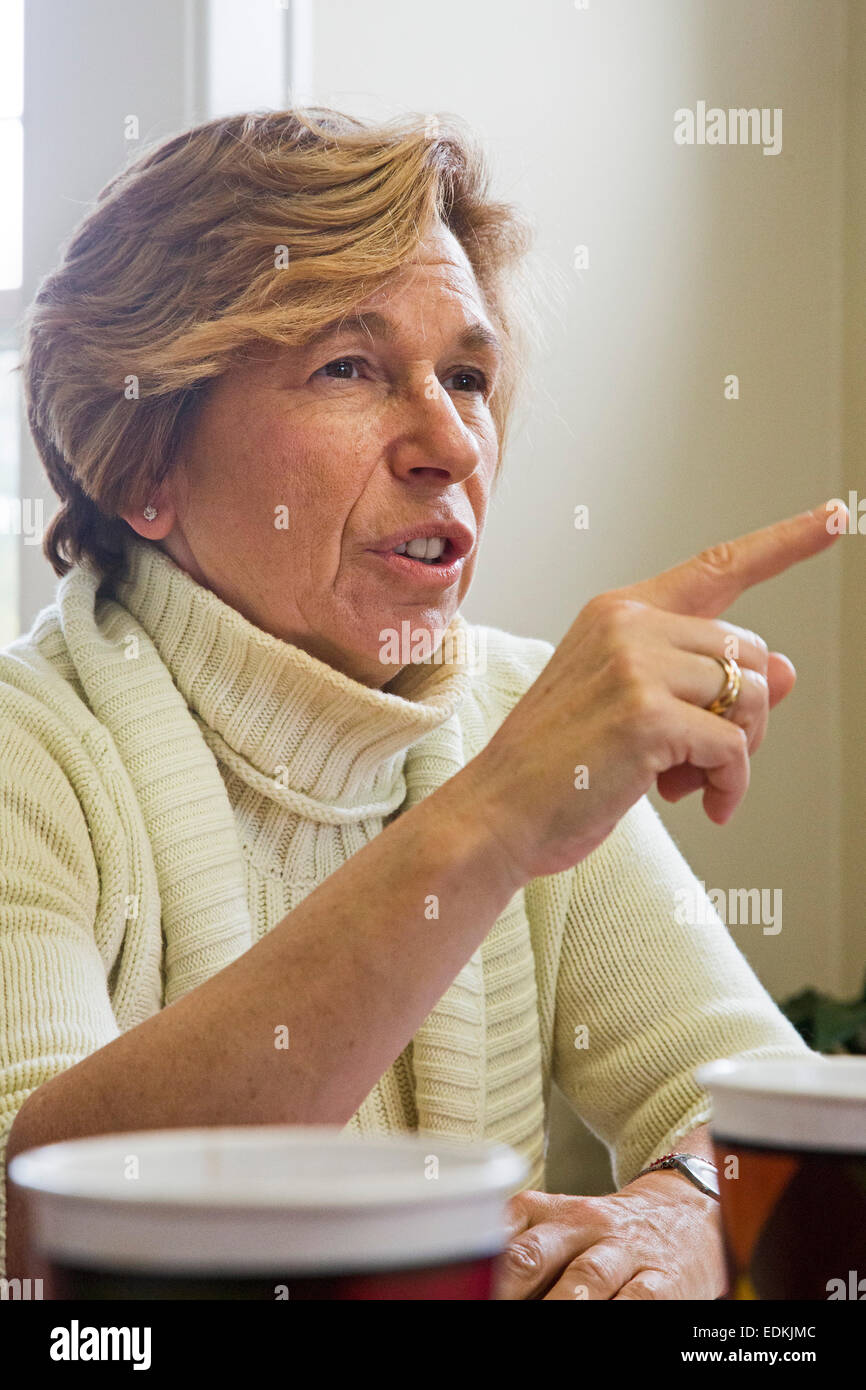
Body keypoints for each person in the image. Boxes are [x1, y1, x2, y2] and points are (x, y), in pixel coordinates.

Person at [1, 107, 838, 1298]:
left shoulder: (511, 713)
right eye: (348, 366)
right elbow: (39, 1233)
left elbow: (759, 1116)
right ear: (143, 465)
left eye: (467, 376)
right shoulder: (26, 751)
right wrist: (495, 816)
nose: (450, 441)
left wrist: (684, 1209)